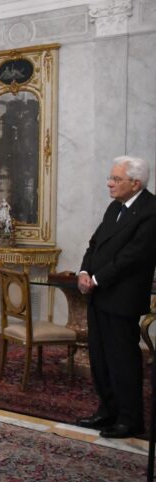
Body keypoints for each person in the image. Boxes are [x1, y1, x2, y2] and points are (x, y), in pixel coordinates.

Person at [76, 156, 156, 439]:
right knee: (100, 358)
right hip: (98, 297)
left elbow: (132, 257)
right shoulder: (115, 207)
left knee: (123, 360)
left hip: (122, 299)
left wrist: (96, 280)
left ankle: (129, 419)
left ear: (136, 183)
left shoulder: (151, 210)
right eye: (110, 178)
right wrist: (84, 271)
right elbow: (95, 244)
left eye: (116, 179)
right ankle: (107, 411)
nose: (109, 183)